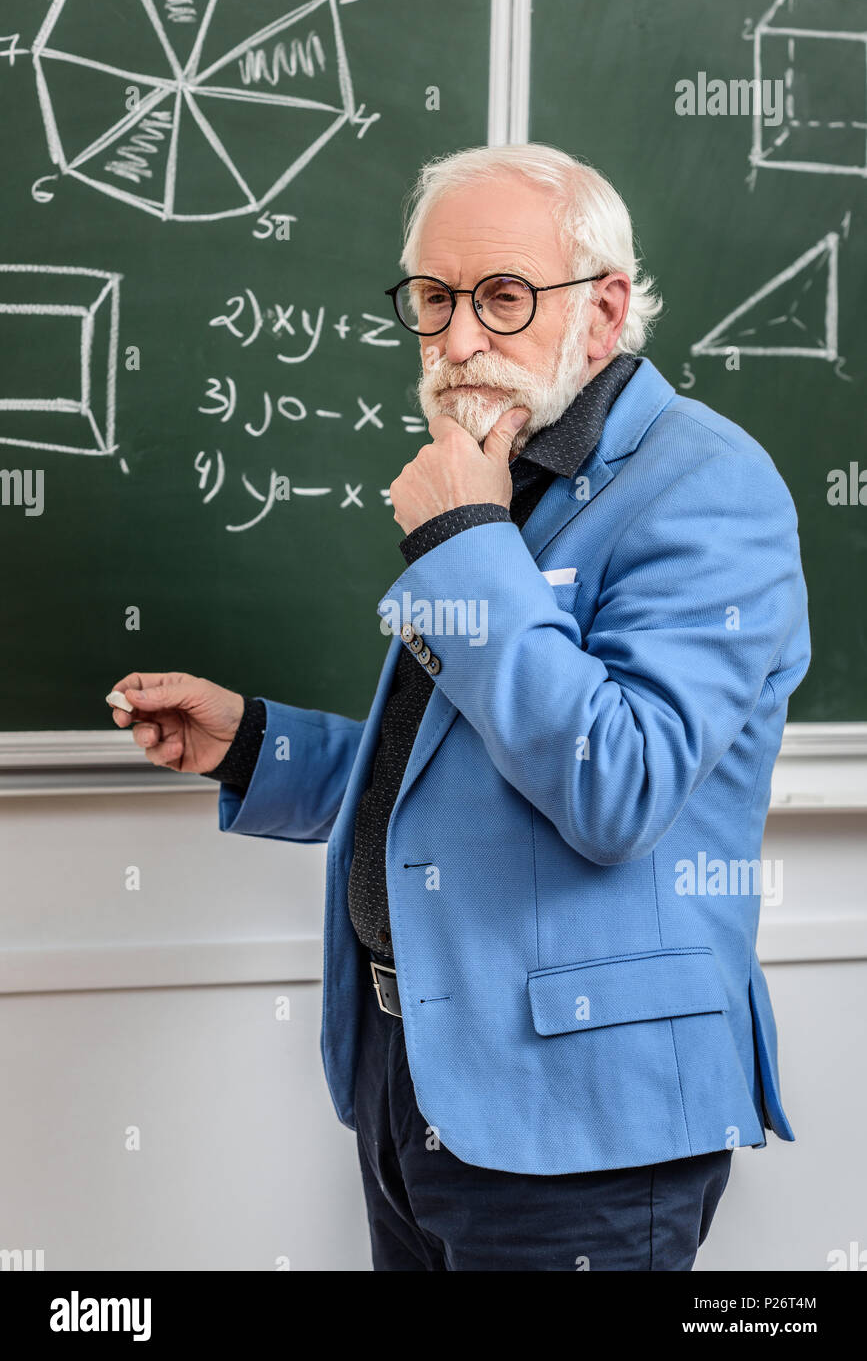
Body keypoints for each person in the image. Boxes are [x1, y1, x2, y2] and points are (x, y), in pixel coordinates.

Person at [109, 143, 811, 1271]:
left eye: (501, 297)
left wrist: (463, 542)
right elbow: (460, 780)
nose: (458, 340)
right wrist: (257, 744)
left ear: (605, 308)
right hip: (419, 1075)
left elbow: (615, 784)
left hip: (583, 1125)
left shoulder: (705, 486)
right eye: (434, 300)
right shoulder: (506, 467)